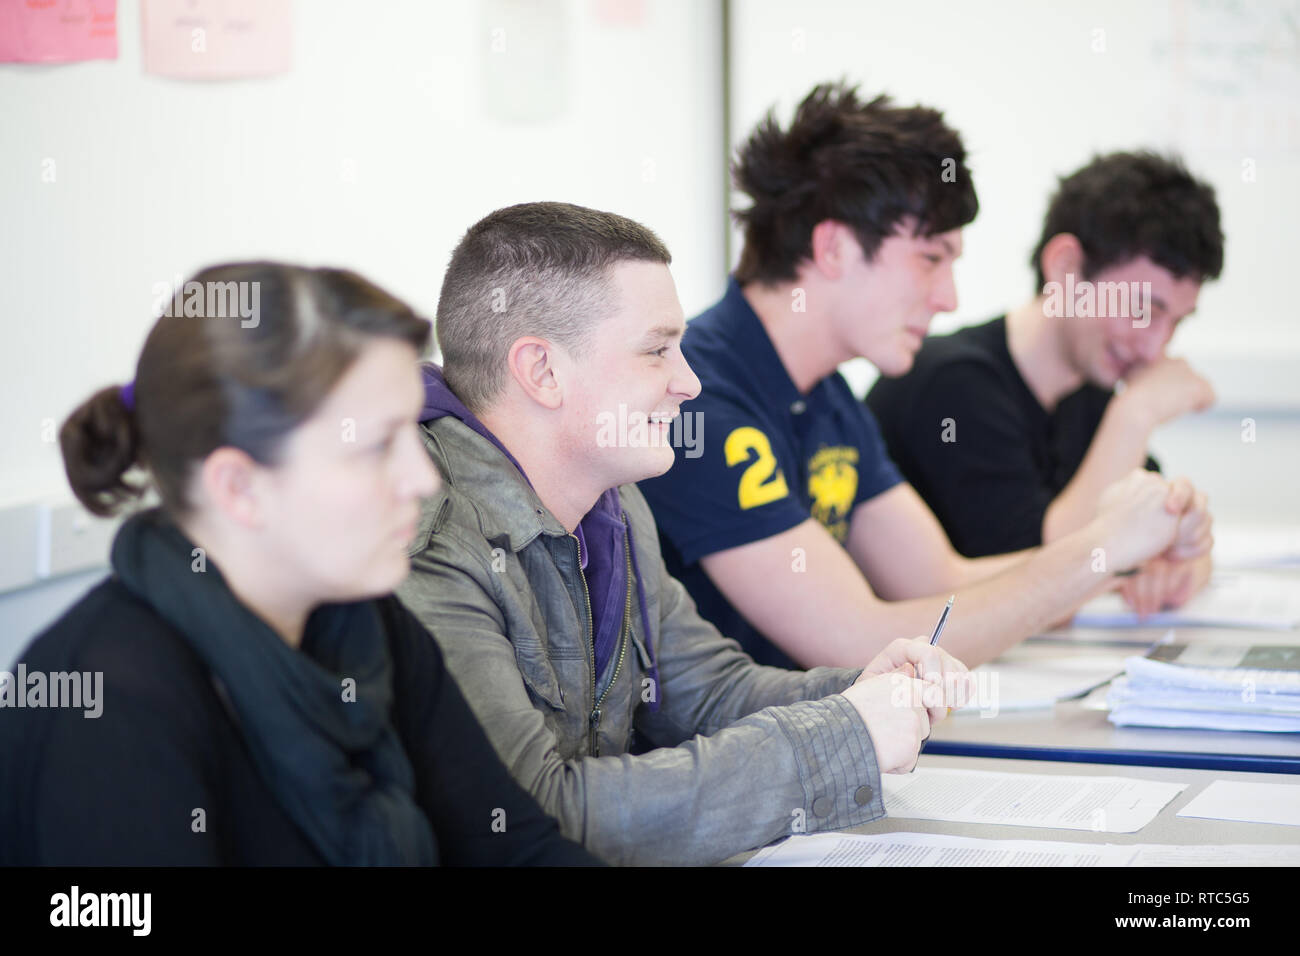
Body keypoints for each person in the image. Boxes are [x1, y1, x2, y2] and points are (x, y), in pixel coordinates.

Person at [396, 201, 974, 866]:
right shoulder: (425, 534)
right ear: (541, 371)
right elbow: (535, 813)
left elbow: (711, 694)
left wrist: (858, 694)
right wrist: (843, 736)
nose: (690, 383)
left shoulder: (616, 505)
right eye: (656, 351)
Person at [0, 262, 600, 866]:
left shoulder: (376, 628)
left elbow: (517, 850)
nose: (421, 478)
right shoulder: (104, 709)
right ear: (239, 487)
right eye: (376, 446)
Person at [637, 82, 1213, 672]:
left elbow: (940, 579)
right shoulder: (700, 399)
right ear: (833, 247)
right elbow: (859, 641)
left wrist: (1134, 549)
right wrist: (1106, 548)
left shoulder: (824, 394)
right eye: (931, 259)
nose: (948, 298)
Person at [866, 152, 1222, 616]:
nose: (1155, 349)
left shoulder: (1092, 390)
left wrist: (1185, 560)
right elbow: (1046, 585)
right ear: (1067, 270)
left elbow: (1154, 528)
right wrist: (1136, 414)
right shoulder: (951, 383)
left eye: (1176, 321)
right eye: (1144, 309)